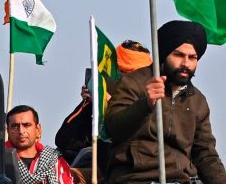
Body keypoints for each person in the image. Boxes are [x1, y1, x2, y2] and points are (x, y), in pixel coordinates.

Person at [105, 20, 226, 184]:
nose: (186, 63)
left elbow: (205, 154)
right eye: (179, 55)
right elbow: (113, 128)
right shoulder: (134, 84)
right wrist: (145, 104)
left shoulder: (197, 100)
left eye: (193, 57)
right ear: (163, 53)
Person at [55, 39, 153, 169]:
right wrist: (92, 105)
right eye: (121, 74)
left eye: (134, 75)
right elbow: (65, 141)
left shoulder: (155, 103)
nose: (128, 81)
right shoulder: (99, 101)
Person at [7, 104, 82, 184]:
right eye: (15, 126)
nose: (21, 131)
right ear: (8, 131)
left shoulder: (54, 160)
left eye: (27, 125)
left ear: (38, 129)